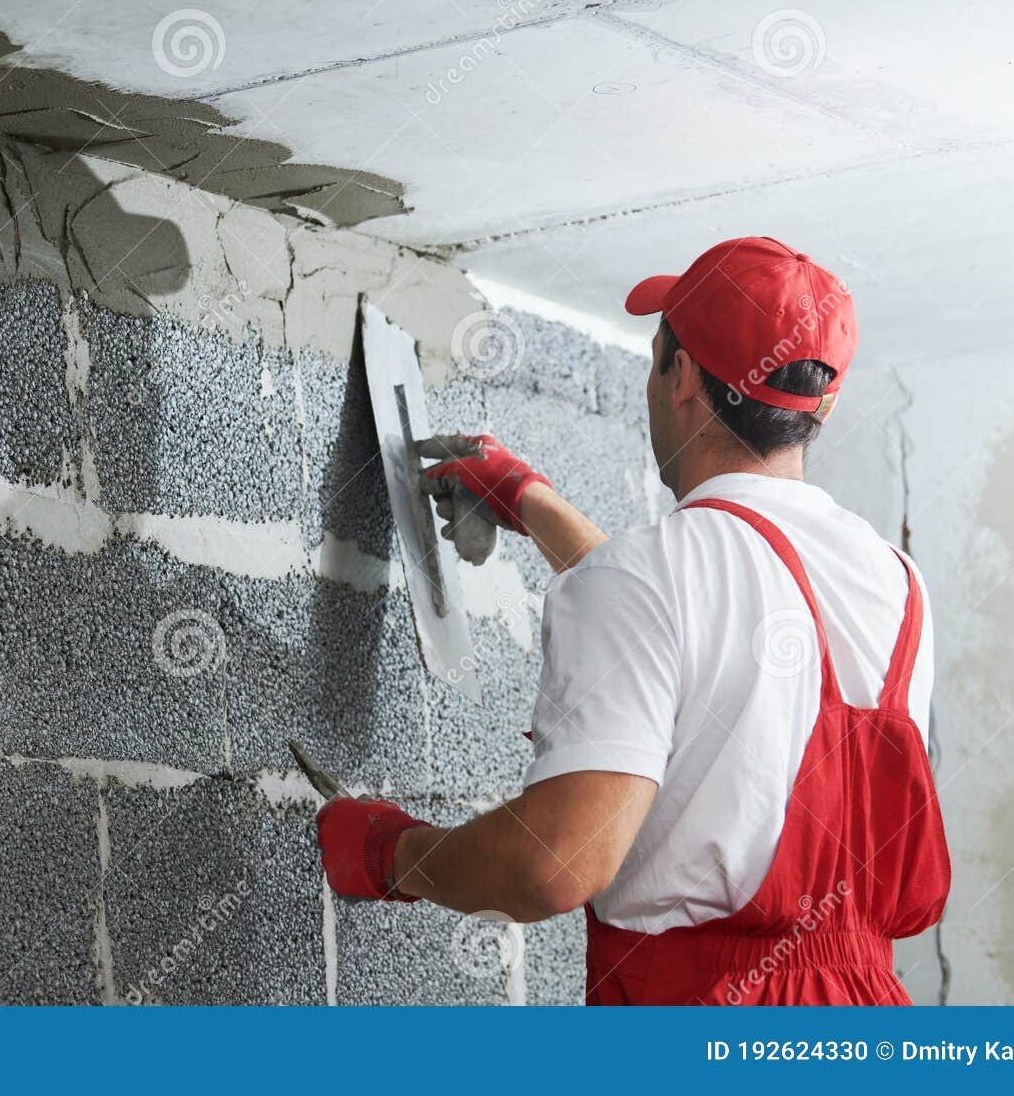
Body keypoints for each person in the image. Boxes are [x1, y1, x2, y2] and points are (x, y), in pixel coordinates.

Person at [314, 237, 950, 1005]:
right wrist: (532, 501)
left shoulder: (649, 576)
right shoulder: (896, 580)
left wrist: (393, 854)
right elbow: (704, 646)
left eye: (656, 358)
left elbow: (551, 866)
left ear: (680, 376)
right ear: (824, 401)